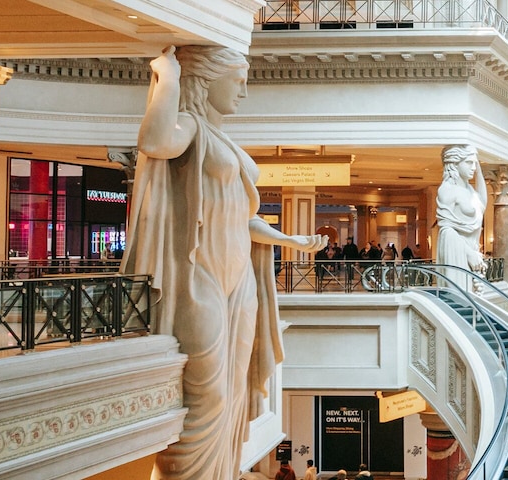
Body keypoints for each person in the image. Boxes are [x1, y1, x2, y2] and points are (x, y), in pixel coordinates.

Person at [130, 45, 328, 479]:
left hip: (238, 285)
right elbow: (153, 141)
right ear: (208, 79)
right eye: (236, 79)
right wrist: (168, 77)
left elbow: (243, 216)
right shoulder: (189, 126)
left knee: (232, 394)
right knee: (206, 397)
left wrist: (288, 239)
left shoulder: (224, 142)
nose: (243, 89)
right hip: (198, 279)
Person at [435, 146, 489, 274]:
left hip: (472, 250)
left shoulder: (470, 190)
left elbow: (483, 202)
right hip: (457, 254)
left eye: (474, 163)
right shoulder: (447, 190)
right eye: (469, 163)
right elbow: (446, 231)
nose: (473, 167)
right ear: (454, 164)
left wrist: (479, 172)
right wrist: (468, 253)